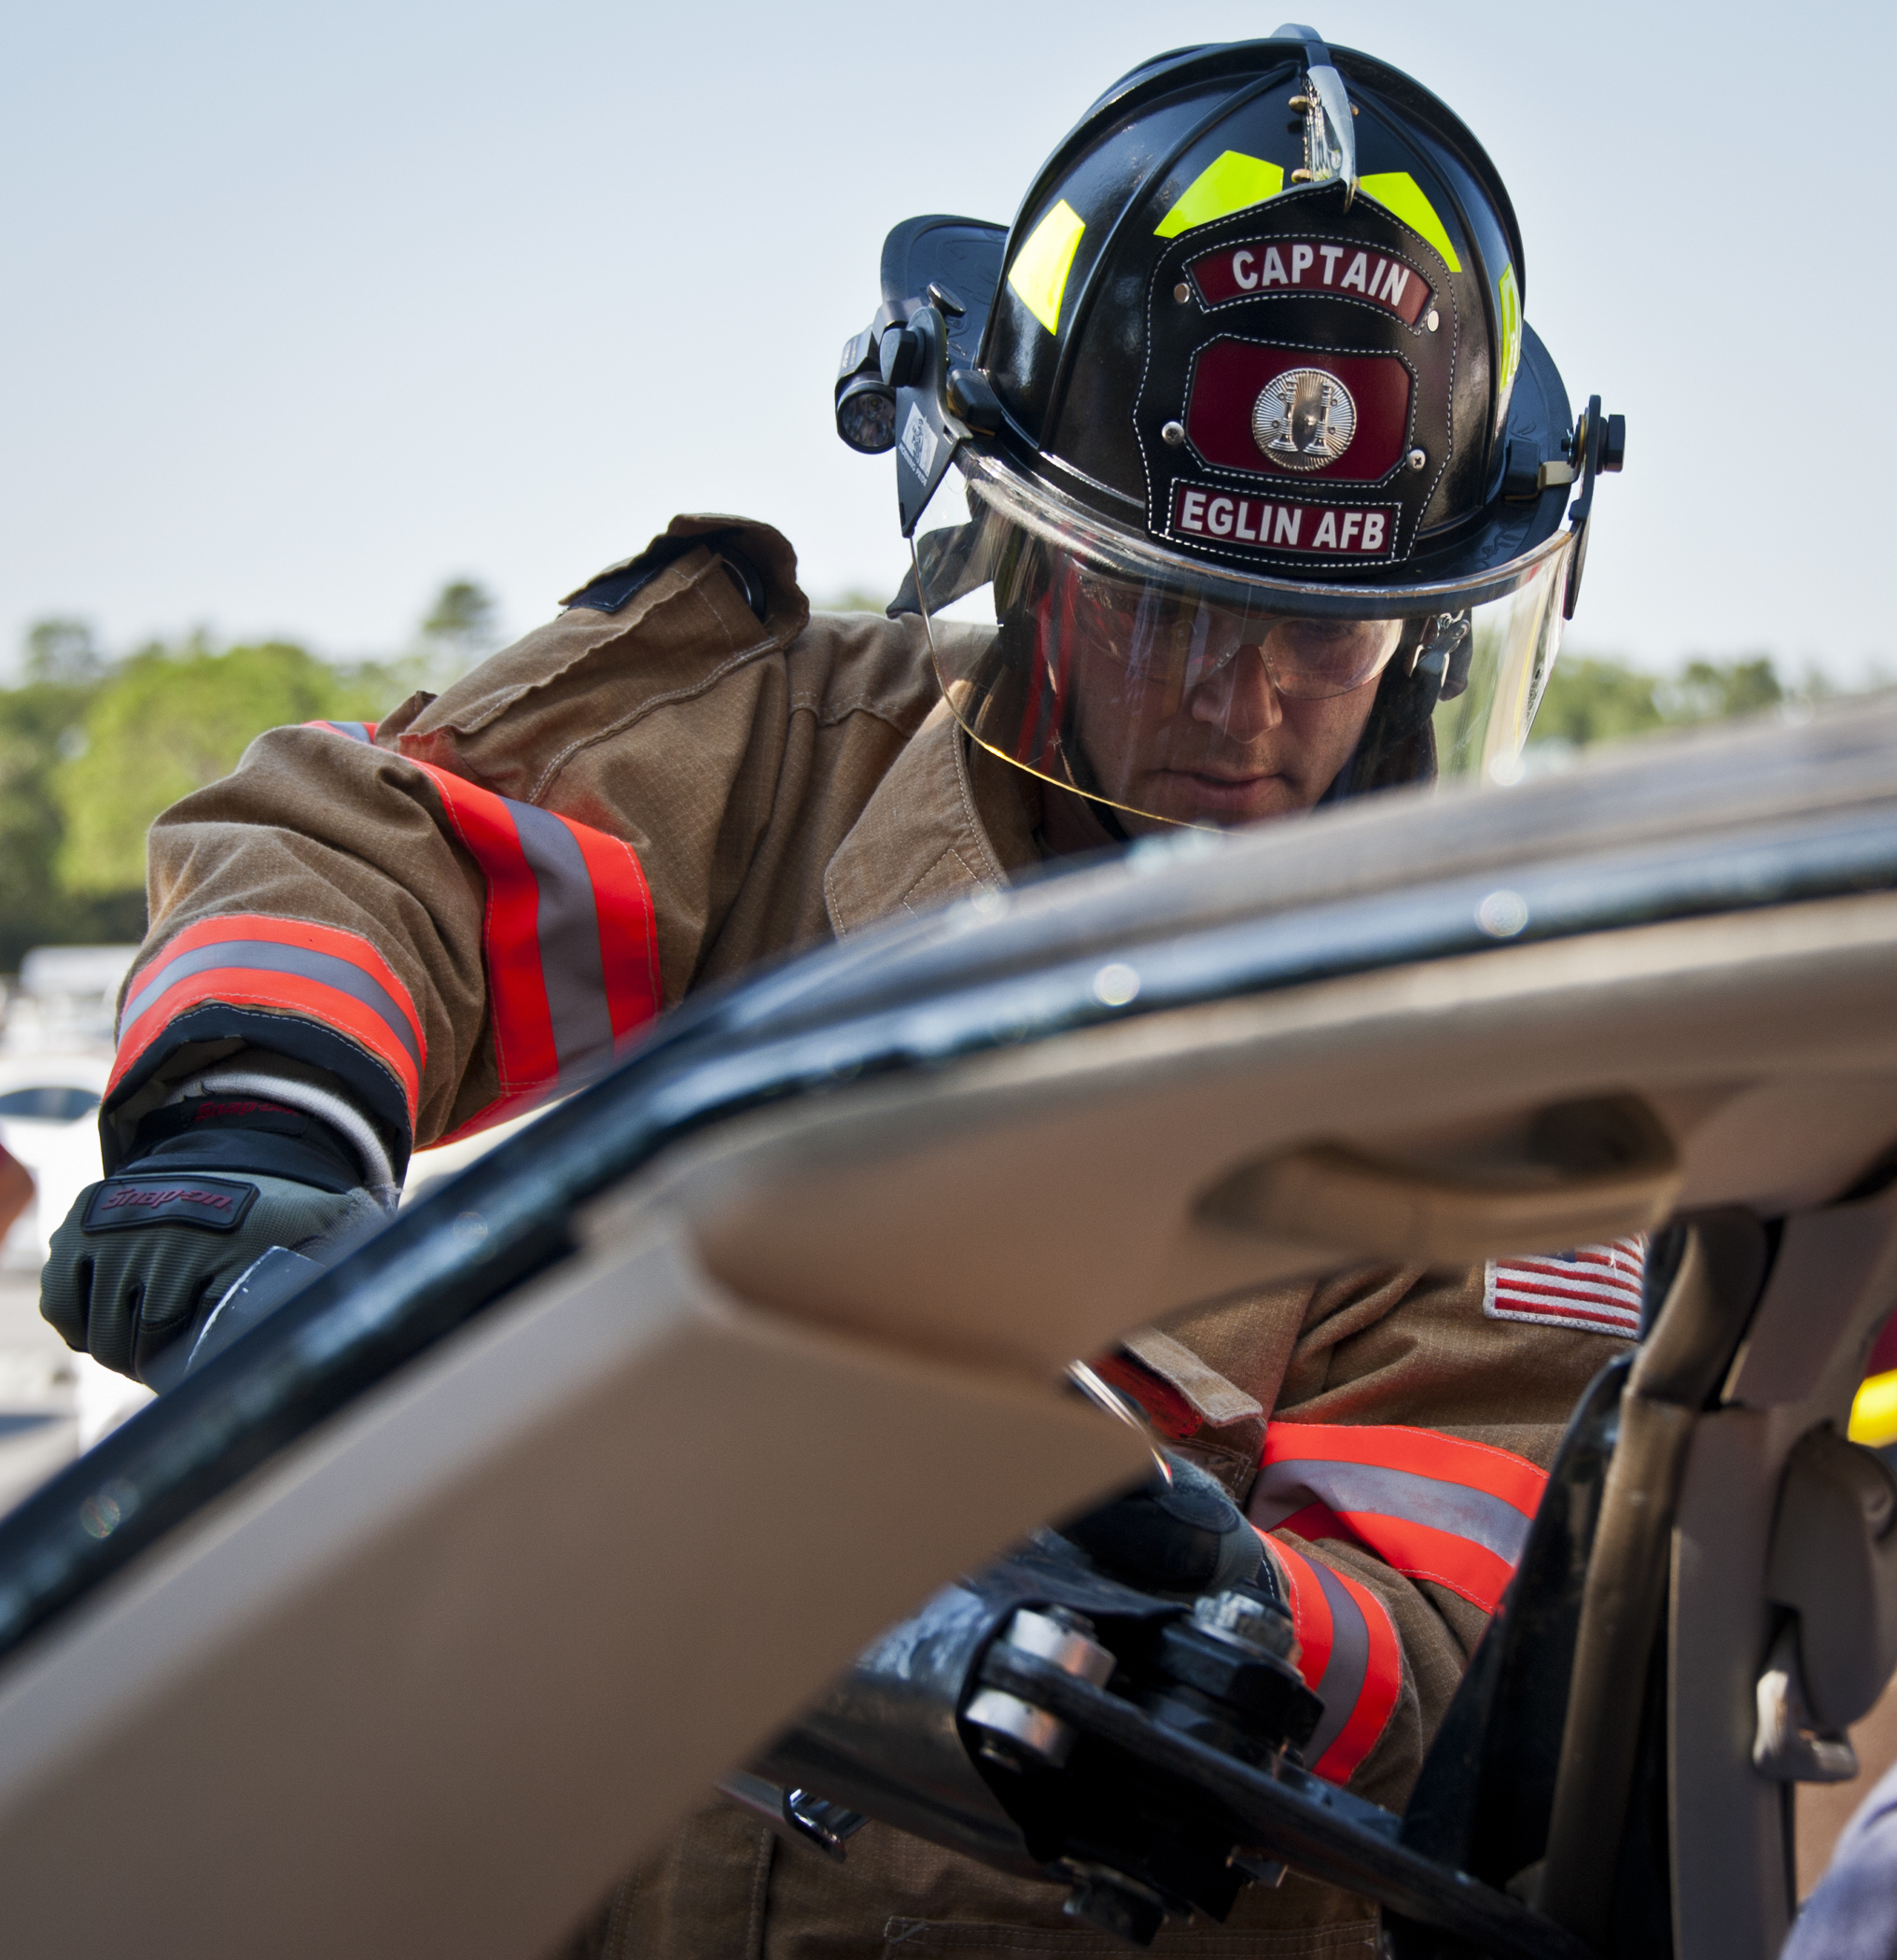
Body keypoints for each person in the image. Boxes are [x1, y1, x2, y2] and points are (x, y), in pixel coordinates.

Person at [37, 27, 1630, 1953]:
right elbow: (362, 851)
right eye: (1164, 606)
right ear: (1022, 554)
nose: (1244, 703)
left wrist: (1217, 1628)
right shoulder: (796, 751)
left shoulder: (1505, 1078)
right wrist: (256, 1129)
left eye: (1327, 633)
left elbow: (1455, 1622)